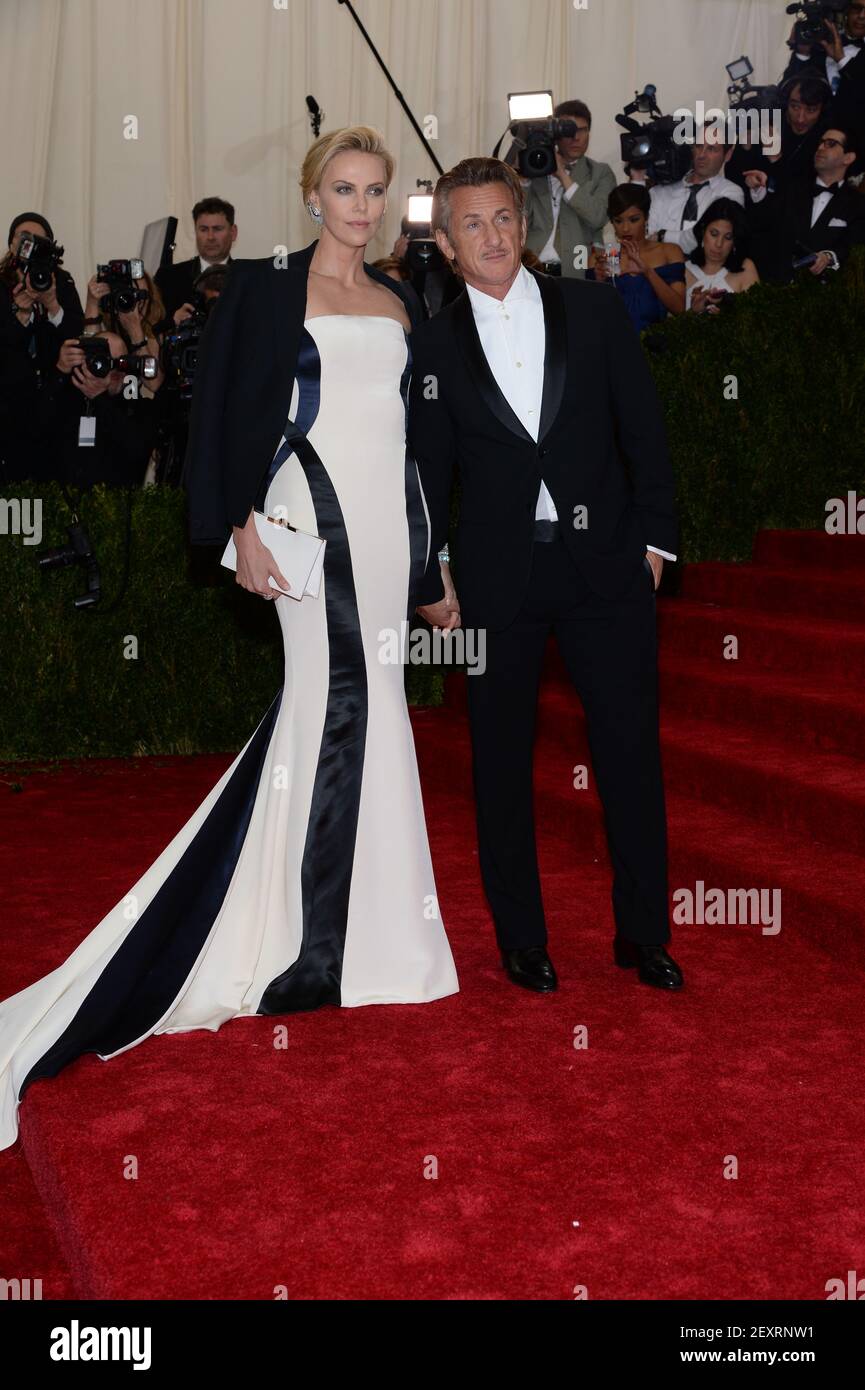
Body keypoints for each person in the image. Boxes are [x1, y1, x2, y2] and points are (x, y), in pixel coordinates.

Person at [0, 126, 458, 1154]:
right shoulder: (262, 287)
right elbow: (217, 417)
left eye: (374, 190)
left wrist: (433, 565)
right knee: (334, 701)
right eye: (342, 188)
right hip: (304, 517)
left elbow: (416, 445)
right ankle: (312, 945)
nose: (360, 205)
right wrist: (233, 526)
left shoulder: (398, 300)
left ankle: (377, 937)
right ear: (310, 196)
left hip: (386, 532)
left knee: (366, 705)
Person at [409, 156, 683, 996]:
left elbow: (644, 433)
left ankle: (643, 935)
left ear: (522, 228)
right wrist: (432, 574)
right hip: (497, 582)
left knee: (630, 754)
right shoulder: (433, 342)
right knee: (497, 762)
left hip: (605, 569)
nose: (490, 236)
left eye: (501, 219)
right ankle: (521, 939)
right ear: (448, 245)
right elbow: (422, 471)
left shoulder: (592, 310)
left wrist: (657, 546)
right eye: (471, 225)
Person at [0, 212, 83, 481]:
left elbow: (74, 333)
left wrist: (52, 304)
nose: (30, 245)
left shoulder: (61, 280)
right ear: (11, 243)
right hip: (10, 405)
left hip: (55, 401)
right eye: (23, 238)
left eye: (39, 240)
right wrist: (20, 317)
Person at [744, 123, 865, 282]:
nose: (821, 147)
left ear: (848, 157)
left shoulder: (857, 204)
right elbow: (764, 223)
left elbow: (854, 246)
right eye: (821, 142)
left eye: (830, 144)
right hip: (778, 288)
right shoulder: (793, 188)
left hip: (824, 294)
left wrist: (829, 256)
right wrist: (758, 190)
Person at [522, 99, 616, 278]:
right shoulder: (536, 173)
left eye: (582, 130)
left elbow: (598, 217)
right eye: (569, 131)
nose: (576, 138)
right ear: (555, 133)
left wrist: (563, 176)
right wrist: (524, 180)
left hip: (575, 270)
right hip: (531, 268)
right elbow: (520, 221)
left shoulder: (600, 173)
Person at [586, 184, 686, 332]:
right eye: (618, 221)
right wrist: (599, 283)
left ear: (646, 217)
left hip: (656, 348)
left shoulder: (669, 252)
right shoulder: (603, 257)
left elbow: (679, 309)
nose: (625, 228)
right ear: (612, 222)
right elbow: (591, 316)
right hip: (613, 347)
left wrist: (648, 272)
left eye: (633, 220)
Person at [632, 131, 745, 255]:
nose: (701, 155)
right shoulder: (660, 191)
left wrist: (663, 236)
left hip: (705, 272)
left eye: (711, 149)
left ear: (727, 155)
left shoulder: (730, 193)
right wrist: (638, 179)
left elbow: (709, 240)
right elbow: (639, 238)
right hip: (660, 270)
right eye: (698, 146)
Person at [154, 196, 237, 324]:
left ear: (233, 232)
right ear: (196, 232)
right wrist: (173, 320)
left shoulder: (247, 278)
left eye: (217, 229)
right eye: (203, 229)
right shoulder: (168, 278)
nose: (210, 237)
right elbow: (150, 327)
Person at [685, 198, 759, 311]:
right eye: (714, 234)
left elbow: (756, 318)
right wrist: (693, 312)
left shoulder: (745, 268)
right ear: (703, 230)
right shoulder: (685, 270)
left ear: (735, 241)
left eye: (728, 237)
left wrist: (726, 313)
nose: (719, 244)